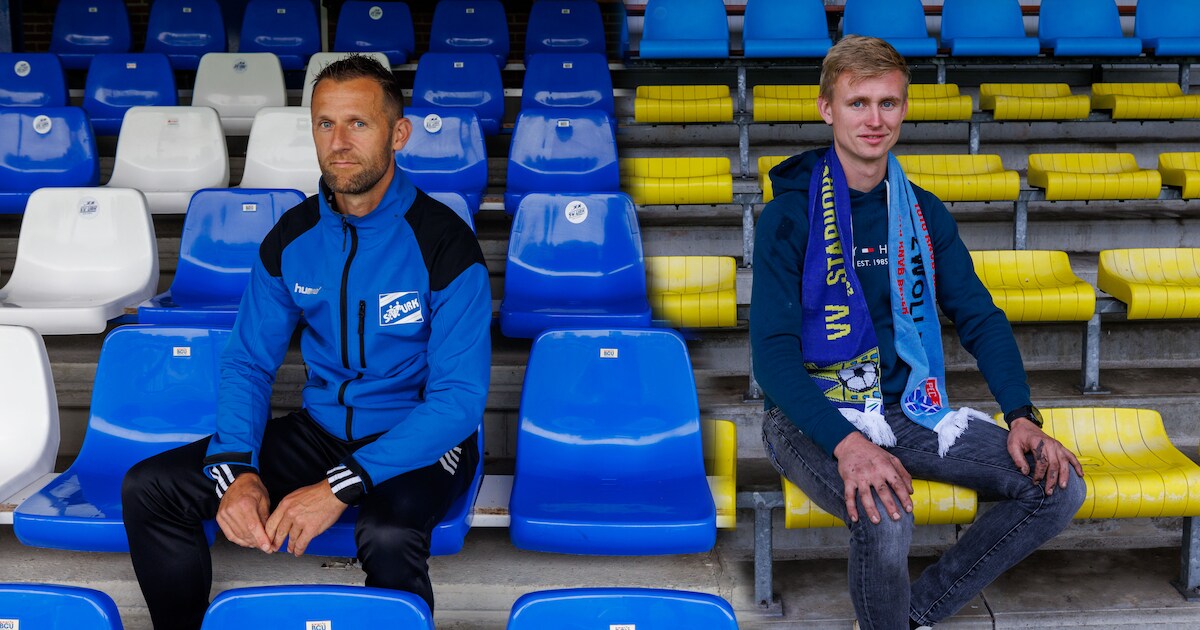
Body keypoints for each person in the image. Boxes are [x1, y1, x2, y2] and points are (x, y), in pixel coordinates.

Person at [122, 55, 491, 630]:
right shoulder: (292, 238)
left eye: (358, 123)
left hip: (420, 437)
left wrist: (338, 488)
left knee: (389, 533)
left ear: (398, 133)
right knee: (151, 487)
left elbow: (458, 402)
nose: (339, 142)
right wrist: (237, 471)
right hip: (321, 430)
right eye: (325, 124)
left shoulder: (444, 242)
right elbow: (247, 362)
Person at [750, 36, 1086, 630]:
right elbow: (772, 359)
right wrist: (849, 445)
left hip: (909, 407)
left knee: (1056, 487)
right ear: (827, 108)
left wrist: (1023, 416)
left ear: (904, 109)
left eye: (888, 103)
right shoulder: (789, 215)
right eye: (858, 103)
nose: (874, 120)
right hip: (811, 414)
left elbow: (980, 317)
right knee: (886, 514)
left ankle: (908, 615)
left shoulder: (924, 213)